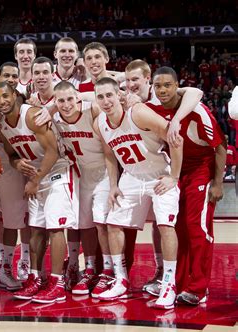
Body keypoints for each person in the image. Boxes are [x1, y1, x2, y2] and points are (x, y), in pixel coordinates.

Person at [94, 77, 182, 309]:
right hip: (131, 177)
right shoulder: (100, 123)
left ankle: (169, 284)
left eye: (109, 95)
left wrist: (174, 175)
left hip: (158, 175)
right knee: (113, 224)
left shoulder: (138, 113)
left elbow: (175, 137)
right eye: (100, 96)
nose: (105, 101)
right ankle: (121, 279)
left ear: (119, 95)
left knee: (165, 225)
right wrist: (113, 185)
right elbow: (109, 155)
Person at [146, 67, 226, 305]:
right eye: (158, 85)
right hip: (175, 173)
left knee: (197, 229)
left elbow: (220, 147)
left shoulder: (198, 112)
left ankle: (199, 289)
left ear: (177, 86)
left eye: (167, 85)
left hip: (201, 172)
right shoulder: (154, 109)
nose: (162, 90)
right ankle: (177, 284)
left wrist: (218, 183)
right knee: (177, 229)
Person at [124, 59, 204, 295]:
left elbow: (195, 91)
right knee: (125, 224)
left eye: (136, 79)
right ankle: (121, 275)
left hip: (167, 169)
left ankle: (165, 273)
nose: (130, 84)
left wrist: (177, 119)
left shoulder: (162, 94)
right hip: (137, 168)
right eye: (126, 80)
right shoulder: (126, 98)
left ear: (148, 78)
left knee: (165, 224)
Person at [0, 81, 76, 304]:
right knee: (37, 230)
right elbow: (11, 154)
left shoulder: (31, 115)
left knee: (56, 228)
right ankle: (36, 278)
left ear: (15, 95)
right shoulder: (1, 123)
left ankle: (57, 283)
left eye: (5, 96)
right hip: (35, 177)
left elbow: (53, 151)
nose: (2, 101)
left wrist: (36, 180)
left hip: (56, 172)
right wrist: (17, 163)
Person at [51, 81, 109, 295]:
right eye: (61, 101)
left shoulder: (91, 110)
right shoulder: (55, 119)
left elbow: (99, 99)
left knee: (101, 222)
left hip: (103, 171)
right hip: (81, 174)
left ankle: (109, 272)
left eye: (70, 99)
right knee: (84, 225)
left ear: (78, 99)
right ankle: (90, 268)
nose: (66, 105)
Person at [0, 62, 29, 288]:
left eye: (15, 76)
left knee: (17, 220)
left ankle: (18, 262)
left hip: (15, 167)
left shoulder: (24, 104)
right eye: (7, 75)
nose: (12, 78)